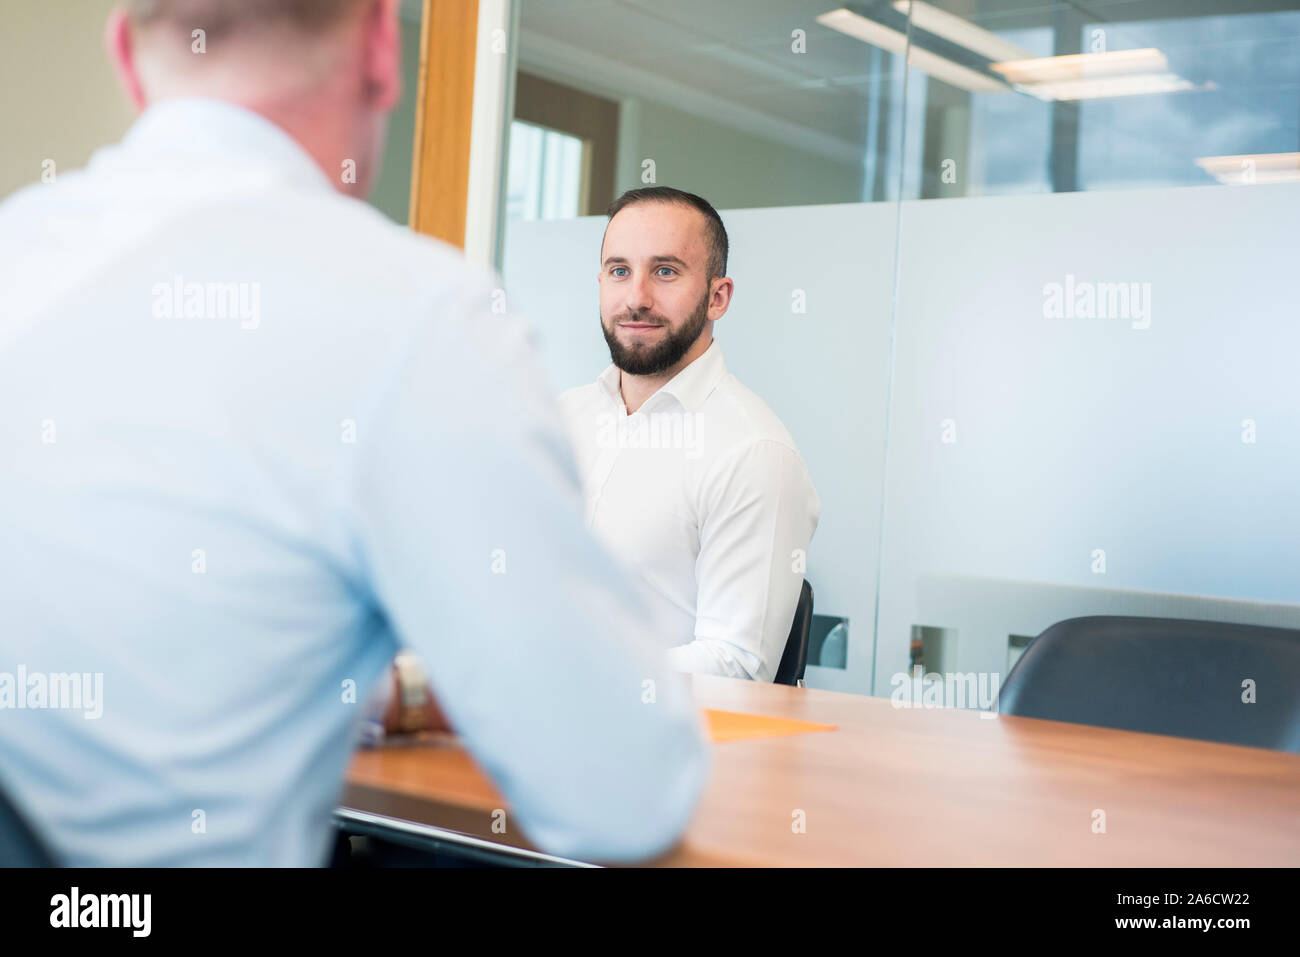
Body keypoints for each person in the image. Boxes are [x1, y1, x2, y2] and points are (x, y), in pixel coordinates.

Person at [0, 0, 708, 866]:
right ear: (382, 43)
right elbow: (621, 793)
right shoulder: (419, 315)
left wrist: (390, 687)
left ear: (125, 53)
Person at [557, 188, 821, 682]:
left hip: (652, 744)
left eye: (665, 272)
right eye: (619, 271)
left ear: (717, 297)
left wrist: (575, 675)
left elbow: (737, 667)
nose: (636, 297)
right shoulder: (559, 419)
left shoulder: (756, 454)